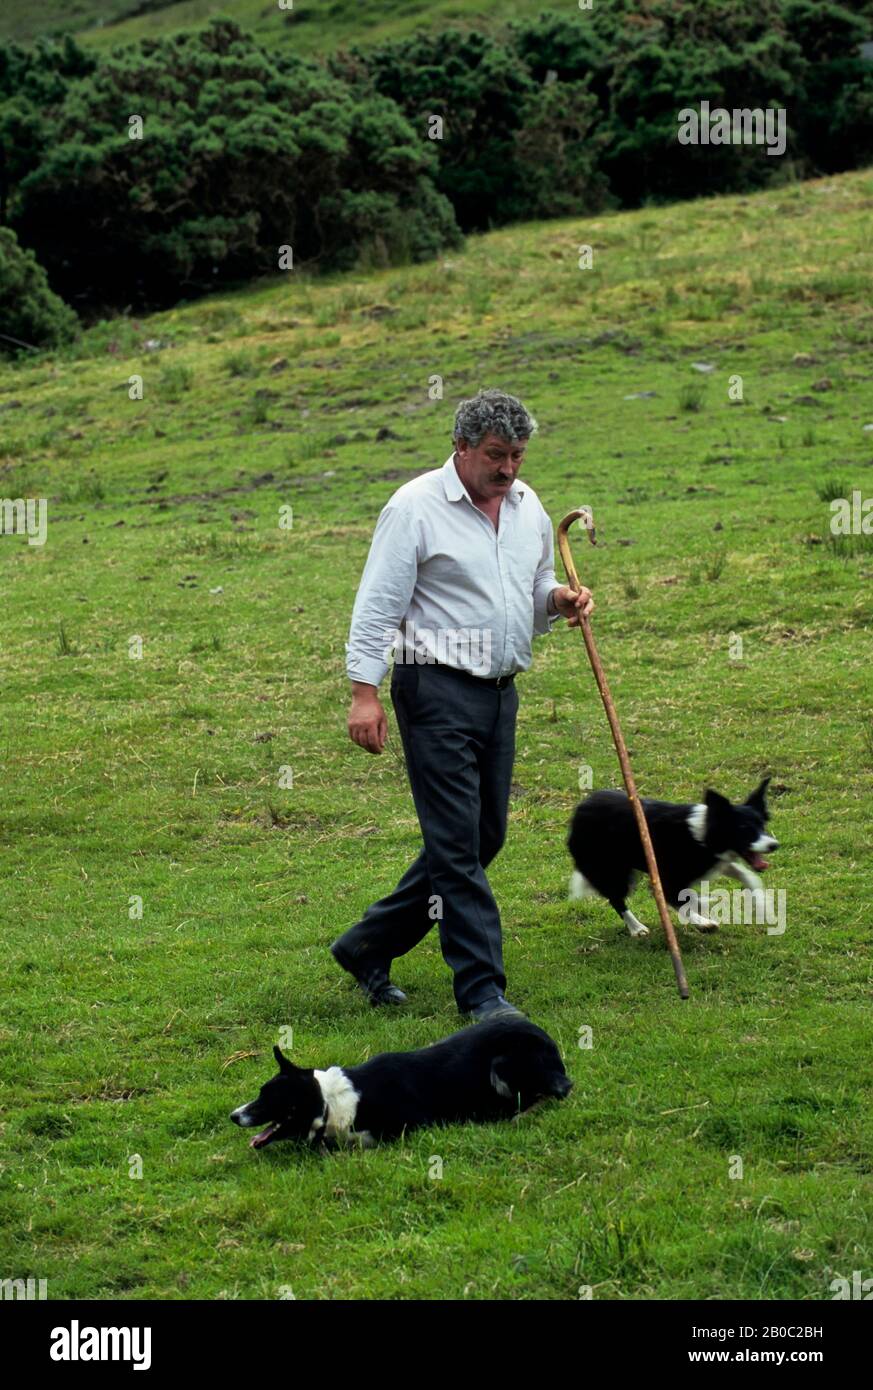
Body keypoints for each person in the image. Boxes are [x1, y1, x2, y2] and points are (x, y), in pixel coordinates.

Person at [332, 389, 594, 1019]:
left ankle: (366, 945)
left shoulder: (528, 507)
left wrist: (556, 600)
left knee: (482, 838)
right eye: (496, 456)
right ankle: (482, 992)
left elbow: (528, 589)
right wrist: (363, 694)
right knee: (456, 845)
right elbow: (378, 604)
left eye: (518, 456)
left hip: (499, 695)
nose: (508, 470)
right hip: (434, 690)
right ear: (462, 448)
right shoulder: (415, 508)